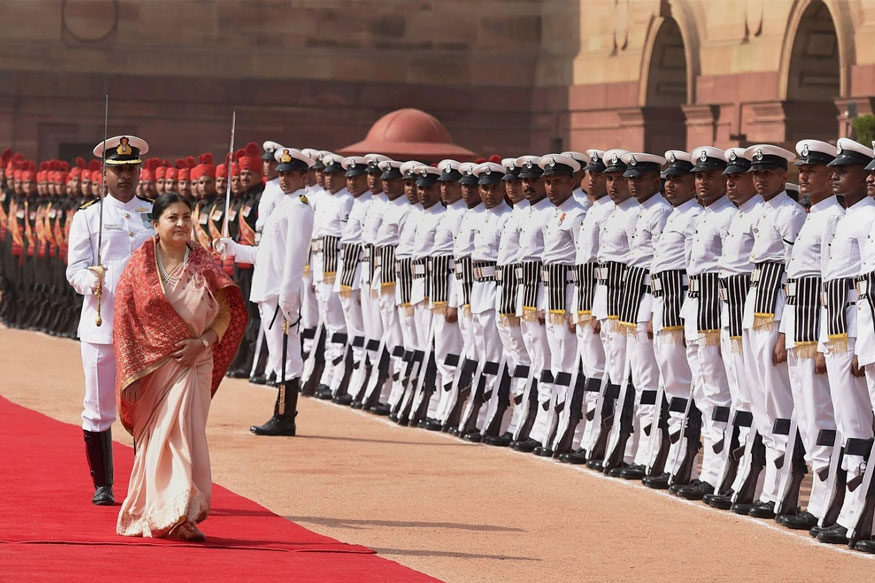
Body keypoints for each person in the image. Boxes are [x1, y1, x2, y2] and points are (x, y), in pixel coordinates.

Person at [114, 192, 246, 541]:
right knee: (159, 440)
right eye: (172, 217)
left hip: (195, 363)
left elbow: (226, 313)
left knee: (187, 436)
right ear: (155, 225)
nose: (181, 224)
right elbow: (124, 321)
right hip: (154, 369)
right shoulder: (138, 266)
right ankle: (157, 511)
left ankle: (181, 513)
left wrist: (202, 344)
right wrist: (130, 372)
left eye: (186, 217)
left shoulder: (205, 263)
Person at [66, 135, 154, 505]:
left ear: (139, 172)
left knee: (147, 408)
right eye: (117, 171)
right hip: (102, 323)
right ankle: (103, 484)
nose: (124, 177)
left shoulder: (154, 212)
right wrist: (92, 281)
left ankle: (147, 484)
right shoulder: (89, 215)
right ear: (104, 174)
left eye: (131, 170)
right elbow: (74, 269)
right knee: (98, 406)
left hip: (146, 328)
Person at [218, 148, 314, 435]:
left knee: (287, 356)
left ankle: (285, 417)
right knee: (279, 354)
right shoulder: (283, 205)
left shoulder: (300, 206)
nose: (284, 179)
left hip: (279, 292)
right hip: (268, 289)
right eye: (281, 173)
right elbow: (267, 253)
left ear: (303, 176)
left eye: (291, 174)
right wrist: (235, 249)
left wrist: (288, 295)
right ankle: (281, 415)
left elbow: (296, 256)